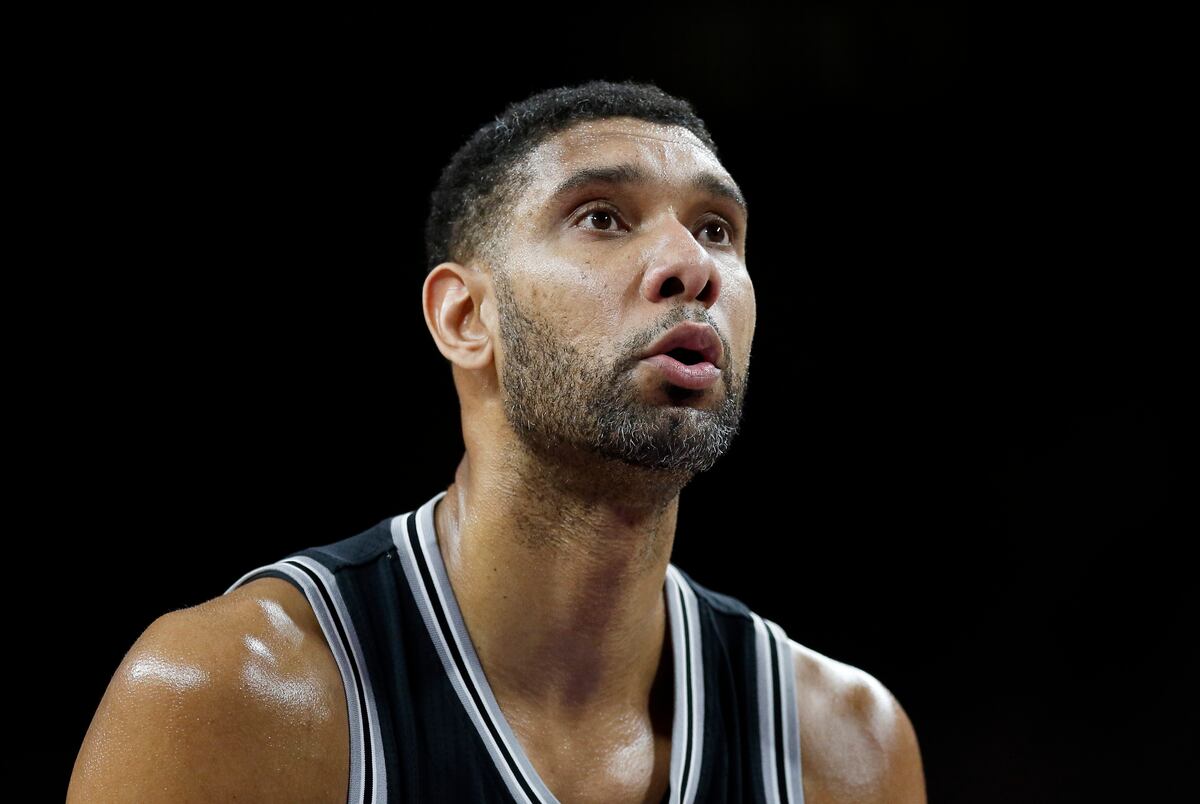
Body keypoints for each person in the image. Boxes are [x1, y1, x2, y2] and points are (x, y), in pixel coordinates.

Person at [68, 80, 927, 803]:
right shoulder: (235, 697)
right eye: (601, 217)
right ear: (464, 316)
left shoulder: (847, 748)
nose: (690, 264)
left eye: (716, 229)